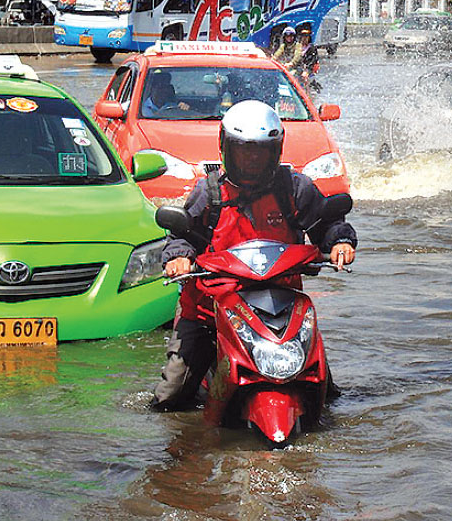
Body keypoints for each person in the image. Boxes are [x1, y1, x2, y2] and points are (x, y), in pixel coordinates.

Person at [152, 100, 357, 411]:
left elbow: (326, 222)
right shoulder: (210, 193)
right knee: (171, 397)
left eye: (261, 150)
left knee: (326, 396)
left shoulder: (294, 189)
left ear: (275, 150)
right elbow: (182, 235)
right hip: (210, 311)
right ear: (227, 148)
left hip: (280, 308)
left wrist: (339, 241)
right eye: (243, 150)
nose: (252, 158)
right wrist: (178, 258)